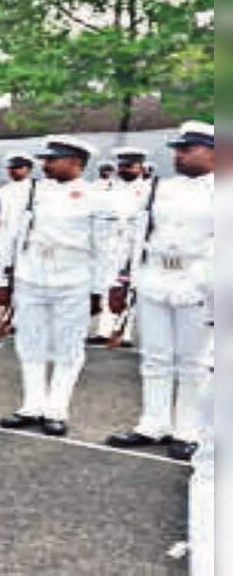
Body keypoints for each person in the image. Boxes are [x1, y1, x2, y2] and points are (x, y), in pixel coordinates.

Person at [105, 121, 214, 460]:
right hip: (155, 278)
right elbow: (136, 235)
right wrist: (122, 280)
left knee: (193, 362)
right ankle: (153, 423)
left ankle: (188, 429)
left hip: (200, 282)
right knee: (155, 357)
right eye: (177, 149)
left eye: (187, 149)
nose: (178, 155)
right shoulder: (159, 188)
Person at [0, 135, 113, 436]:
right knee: (29, 343)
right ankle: (31, 406)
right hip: (31, 276)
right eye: (45, 159)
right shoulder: (31, 192)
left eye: (52, 159)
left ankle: (56, 409)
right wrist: (3, 280)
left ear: (75, 163)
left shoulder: (95, 196)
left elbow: (103, 249)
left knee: (68, 348)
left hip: (73, 279)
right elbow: (10, 239)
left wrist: (99, 290)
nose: (44, 164)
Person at [88, 146, 150, 346]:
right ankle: (104, 331)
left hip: (136, 248)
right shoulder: (109, 189)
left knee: (129, 290)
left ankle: (125, 333)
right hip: (109, 247)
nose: (124, 169)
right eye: (121, 166)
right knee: (108, 288)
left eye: (129, 166)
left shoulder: (149, 190)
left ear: (140, 167)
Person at [0, 153, 36, 330]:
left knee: (23, 283)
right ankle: (5, 316)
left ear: (27, 169)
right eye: (10, 168)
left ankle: (16, 319)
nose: (12, 171)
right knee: (3, 283)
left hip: (26, 243)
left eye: (17, 168)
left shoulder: (36, 190)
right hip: (4, 241)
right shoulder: (3, 191)